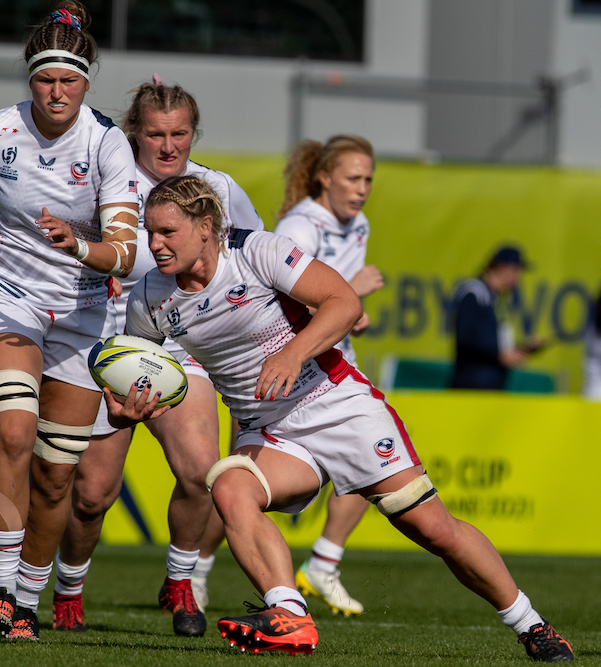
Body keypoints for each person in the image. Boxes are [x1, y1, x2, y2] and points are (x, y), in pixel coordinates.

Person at [112, 175, 574, 661]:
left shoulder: (257, 252)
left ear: (206, 226)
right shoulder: (149, 298)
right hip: (270, 431)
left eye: (167, 232)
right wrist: (130, 409)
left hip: (336, 403)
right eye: (149, 232)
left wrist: (292, 355)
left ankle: (531, 624)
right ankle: (289, 614)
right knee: (229, 486)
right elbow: (138, 372)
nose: (155, 244)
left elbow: (344, 304)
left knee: (431, 528)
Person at [0, 2, 139, 642]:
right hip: (4, 296)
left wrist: (80, 246)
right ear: (29, 79)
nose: (57, 92)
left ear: (87, 81)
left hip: (83, 309)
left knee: (55, 472)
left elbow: (124, 249)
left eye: (69, 80)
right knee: (12, 433)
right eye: (45, 79)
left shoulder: (107, 144)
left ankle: (27, 602)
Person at [52, 76, 265, 637]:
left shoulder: (216, 188)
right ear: (135, 135)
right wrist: (98, 269)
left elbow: (252, 253)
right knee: (94, 496)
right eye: (155, 134)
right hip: (110, 347)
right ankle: (68, 589)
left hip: (182, 346)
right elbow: (68, 251)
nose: (169, 146)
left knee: (201, 475)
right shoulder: (107, 182)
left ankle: (180, 582)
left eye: (180, 133)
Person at [198, 135, 385, 618]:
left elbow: (337, 301)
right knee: (239, 481)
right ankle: (194, 571)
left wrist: (351, 309)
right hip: (274, 370)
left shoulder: (358, 223)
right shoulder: (300, 226)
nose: (362, 188)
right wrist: (353, 292)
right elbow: (279, 294)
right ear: (324, 178)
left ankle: (323, 562)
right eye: (353, 178)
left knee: (370, 469)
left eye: (368, 179)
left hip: (331, 364)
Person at [450, 246, 542, 390]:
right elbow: (465, 338)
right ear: (505, 268)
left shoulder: (491, 298)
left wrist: (522, 348)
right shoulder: (474, 294)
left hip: (488, 389)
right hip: (471, 390)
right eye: (517, 271)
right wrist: (500, 356)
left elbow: (488, 341)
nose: (518, 279)